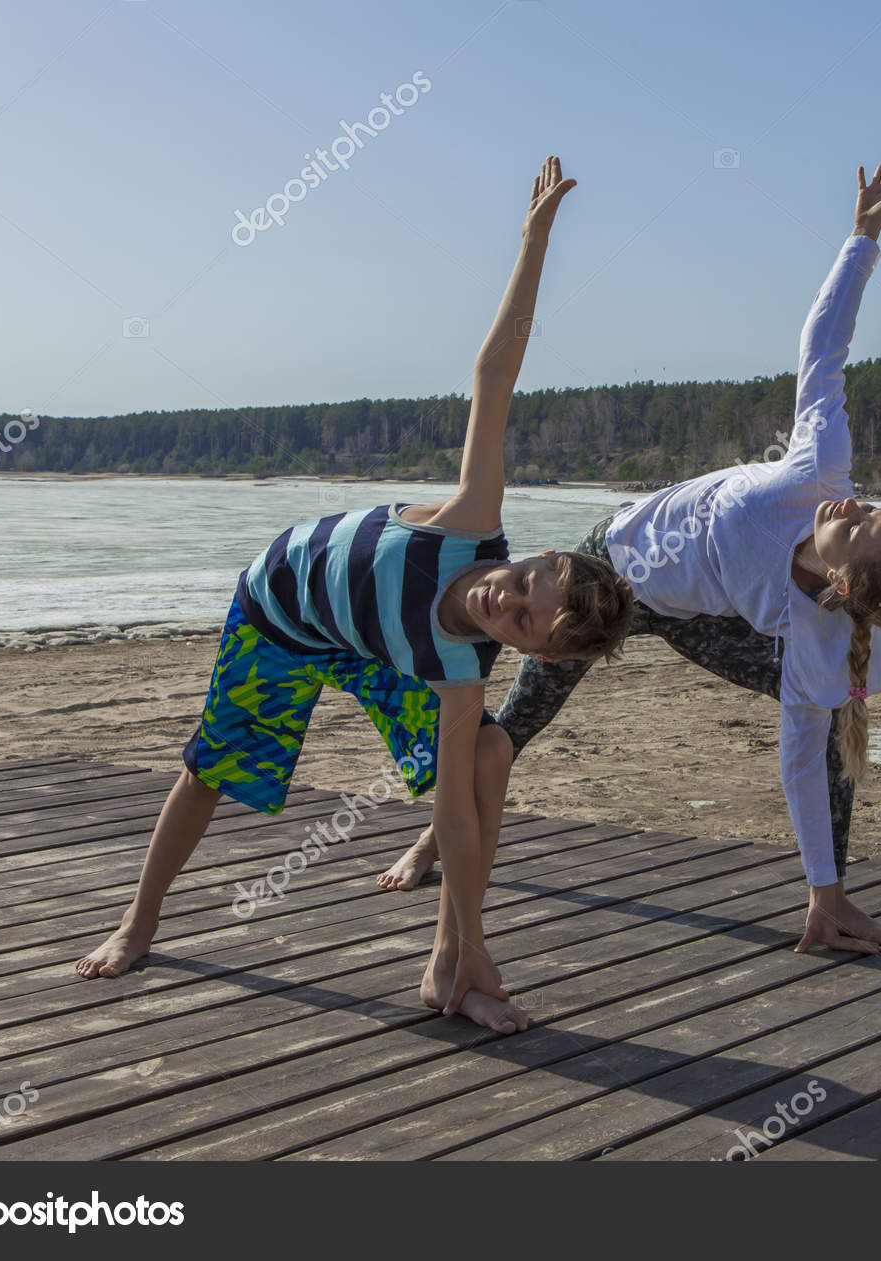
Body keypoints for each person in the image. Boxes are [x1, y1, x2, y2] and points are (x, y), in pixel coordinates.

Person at [76, 157, 634, 1035]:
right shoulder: (469, 518)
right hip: (281, 613)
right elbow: (497, 373)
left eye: (524, 622)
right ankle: (137, 922)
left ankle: (452, 962)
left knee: (486, 756)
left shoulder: (459, 671)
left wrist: (480, 934)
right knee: (212, 767)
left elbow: (452, 812)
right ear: (530, 554)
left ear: (529, 654)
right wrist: (534, 242)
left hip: (375, 646)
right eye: (524, 580)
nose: (505, 600)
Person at [379, 157, 881, 956]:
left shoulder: (825, 638)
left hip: (693, 615)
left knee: (820, 731)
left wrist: (819, 886)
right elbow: (824, 347)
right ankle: (437, 840)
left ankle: (833, 903)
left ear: (847, 581)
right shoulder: (818, 469)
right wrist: (860, 241)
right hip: (609, 575)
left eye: (859, 526)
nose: (850, 504)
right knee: (520, 720)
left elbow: (796, 766)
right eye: (873, 506)